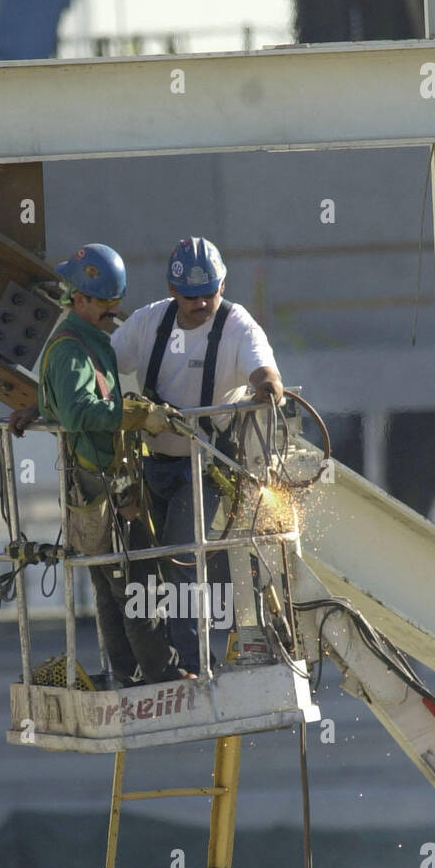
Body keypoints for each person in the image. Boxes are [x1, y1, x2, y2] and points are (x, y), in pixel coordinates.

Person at [10, 243, 183, 687]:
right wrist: (135, 413)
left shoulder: (88, 342)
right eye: (105, 304)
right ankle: (158, 673)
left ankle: (127, 672)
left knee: (114, 582)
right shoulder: (72, 349)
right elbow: (80, 412)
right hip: (104, 482)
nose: (112, 313)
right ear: (79, 299)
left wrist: (39, 408)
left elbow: (65, 403)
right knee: (133, 582)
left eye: (114, 304)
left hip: (100, 479)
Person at [110, 237, 284, 673]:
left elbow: (262, 367)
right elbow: (103, 361)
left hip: (204, 467)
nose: (201, 303)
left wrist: (268, 387)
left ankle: (192, 665)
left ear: (222, 285)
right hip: (152, 465)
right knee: (137, 564)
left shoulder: (236, 326)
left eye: (210, 293)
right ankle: (147, 665)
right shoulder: (150, 323)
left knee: (183, 555)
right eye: (191, 296)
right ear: (173, 290)